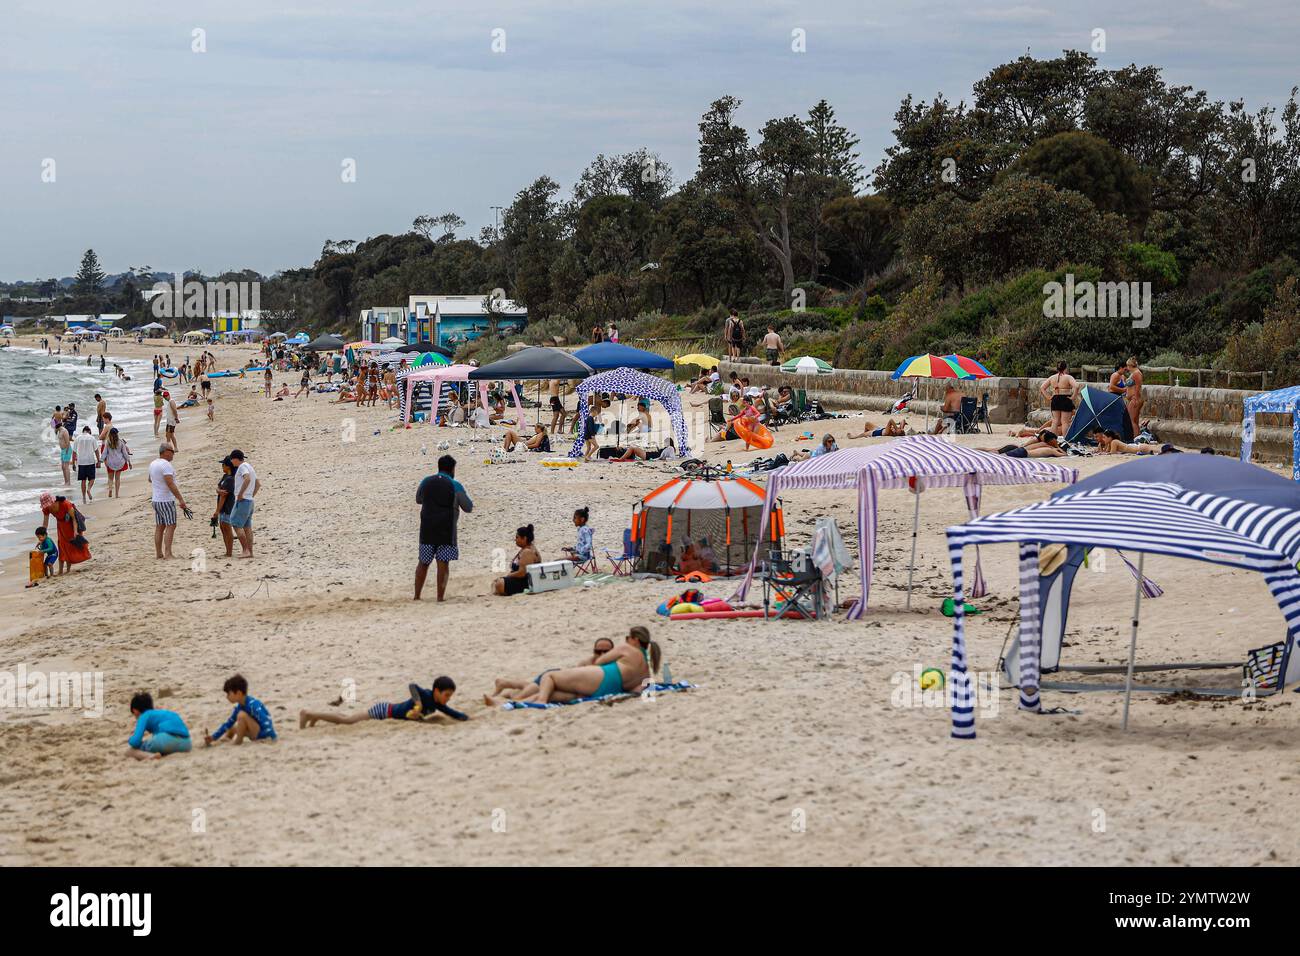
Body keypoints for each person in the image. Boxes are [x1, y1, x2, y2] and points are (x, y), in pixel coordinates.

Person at [534, 625, 661, 704]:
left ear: (635, 640)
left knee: (549, 676)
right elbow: (642, 691)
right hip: (611, 689)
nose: (626, 640)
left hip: (603, 677)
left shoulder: (627, 648)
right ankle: (520, 699)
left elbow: (599, 662)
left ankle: (541, 701)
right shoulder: (647, 668)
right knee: (561, 694)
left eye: (628, 637)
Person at [484, 637, 617, 705]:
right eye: (598, 651)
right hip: (552, 677)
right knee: (522, 696)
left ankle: (505, 684)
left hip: (555, 679)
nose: (602, 654)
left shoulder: (613, 666)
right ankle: (506, 696)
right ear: (594, 651)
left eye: (606, 651)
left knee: (533, 688)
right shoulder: (586, 663)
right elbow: (575, 681)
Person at [299, 676, 468, 728]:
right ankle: (309, 714)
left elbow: (452, 713)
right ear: (436, 691)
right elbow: (412, 686)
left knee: (346, 717)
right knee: (347, 720)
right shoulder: (425, 695)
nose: (448, 699)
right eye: (446, 695)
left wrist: (467, 718)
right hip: (383, 711)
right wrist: (418, 704)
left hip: (388, 712)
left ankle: (317, 717)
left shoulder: (438, 704)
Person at [415, 454, 473, 601]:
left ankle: (417, 596)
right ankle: (440, 597)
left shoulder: (426, 481)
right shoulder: (455, 485)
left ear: (439, 467)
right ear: (453, 469)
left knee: (423, 562)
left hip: (427, 528)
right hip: (446, 529)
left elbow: (418, 499)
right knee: (443, 562)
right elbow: (468, 507)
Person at [204, 674, 277, 746]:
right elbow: (228, 723)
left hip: (261, 735)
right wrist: (213, 737)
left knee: (241, 715)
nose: (227, 697)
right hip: (252, 732)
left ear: (238, 693)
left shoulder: (253, 704)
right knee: (232, 727)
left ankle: (238, 741)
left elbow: (266, 721)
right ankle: (226, 739)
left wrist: (272, 738)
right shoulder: (240, 706)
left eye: (229, 694)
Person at [149, 442, 190, 559]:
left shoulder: (153, 463)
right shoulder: (166, 465)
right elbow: (170, 483)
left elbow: (150, 479)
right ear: (166, 452)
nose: (173, 454)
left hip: (156, 499)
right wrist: (181, 499)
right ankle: (168, 553)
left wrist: (159, 484)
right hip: (165, 500)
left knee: (160, 526)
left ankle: (159, 553)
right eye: (172, 451)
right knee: (171, 525)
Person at [126, 691, 192, 759]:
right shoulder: (164, 713)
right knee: (160, 744)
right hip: (186, 743)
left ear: (135, 711)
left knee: (129, 751)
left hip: (165, 741)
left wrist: (130, 740)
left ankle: (150, 756)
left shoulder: (144, 716)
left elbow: (135, 742)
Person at [40, 492, 89, 573]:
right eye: (46, 505)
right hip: (60, 526)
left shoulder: (65, 504)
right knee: (61, 546)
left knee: (69, 546)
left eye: (49, 504)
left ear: (53, 501)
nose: (48, 507)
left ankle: (68, 570)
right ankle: (60, 571)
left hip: (70, 524)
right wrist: (42, 538)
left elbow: (74, 518)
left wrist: (75, 531)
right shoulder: (46, 509)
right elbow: (45, 524)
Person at [228, 449, 260, 558]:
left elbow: (247, 479)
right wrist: (251, 495)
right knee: (247, 527)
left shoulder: (242, 467)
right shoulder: (250, 466)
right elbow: (258, 484)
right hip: (250, 500)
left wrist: (241, 494)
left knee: (235, 523)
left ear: (235, 459)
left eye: (232, 459)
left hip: (244, 500)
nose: (231, 462)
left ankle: (245, 550)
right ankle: (250, 552)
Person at [493, 524, 540, 596]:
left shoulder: (527, 552)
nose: (515, 539)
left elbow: (522, 573)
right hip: (519, 579)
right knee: (497, 582)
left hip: (525, 582)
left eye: (517, 537)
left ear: (524, 538)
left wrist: (509, 575)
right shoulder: (525, 549)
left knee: (499, 584)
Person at [1039, 362, 1078, 436]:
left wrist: (1049, 397)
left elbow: (1042, 387)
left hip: (1055, 398)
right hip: (1065, 398)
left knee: (1055, 421)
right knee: (1065, 422)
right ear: (1065, 368)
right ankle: (1065, 440)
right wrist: (1073, 397)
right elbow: (1076, 386)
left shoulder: (1052, 377)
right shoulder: (1068, 377)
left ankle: (1051, 439)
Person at [212, 455, 237, 557]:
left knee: (227, 529)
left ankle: (229, 552)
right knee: (223, 528)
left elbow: (223, 496)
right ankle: (227, 551)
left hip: (227, 507)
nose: (222, 466)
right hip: (223, 507)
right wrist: (218, 490)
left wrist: (217, 511)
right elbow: (218, 489)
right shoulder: (225, 476)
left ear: (228, 466)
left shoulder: (230, 479)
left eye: (223, 464)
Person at [101, 427, 131, 498]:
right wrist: (129, 462)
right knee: (117, 478)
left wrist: (101, 460)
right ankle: (117, 494)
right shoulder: (121, 442)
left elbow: (104, 452)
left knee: (110, 478)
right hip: (119, 462)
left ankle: (110, 489)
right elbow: (124, 453)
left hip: (110, 462)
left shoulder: (108, 442)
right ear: (117, 434)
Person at [1091, 428, 1158, 455]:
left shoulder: (1114, 442)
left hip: (1139, 448)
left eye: (1104, 437)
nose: (1103, 439)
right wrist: (1099, 450)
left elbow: (1112, 453)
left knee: (1160, 452)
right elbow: (1106, 451)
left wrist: (1101, 453)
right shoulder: (1110, 443)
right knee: (1160, 452)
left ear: (1110, 438)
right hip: (1138, 448)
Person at [1124, 357, 1145, 436]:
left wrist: (1135, 398)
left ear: (1130, 365)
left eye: (1127, 366)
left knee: (1131, 420)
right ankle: (1136, 437)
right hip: (1132, 398)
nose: (1127, 368)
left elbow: (1138, 386)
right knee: (1134, 420)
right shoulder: (1134, 373)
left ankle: (1135, 437)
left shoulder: (1137, 373)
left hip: (1135, 399)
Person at [56, 421, 72, 486]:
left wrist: (67, 451)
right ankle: (65, 481)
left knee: (66, 466)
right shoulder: (59, 431)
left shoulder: (64, 431)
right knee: (63, 467)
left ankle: (68, 482)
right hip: (63, 450)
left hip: (67, 450)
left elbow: (67, 442)